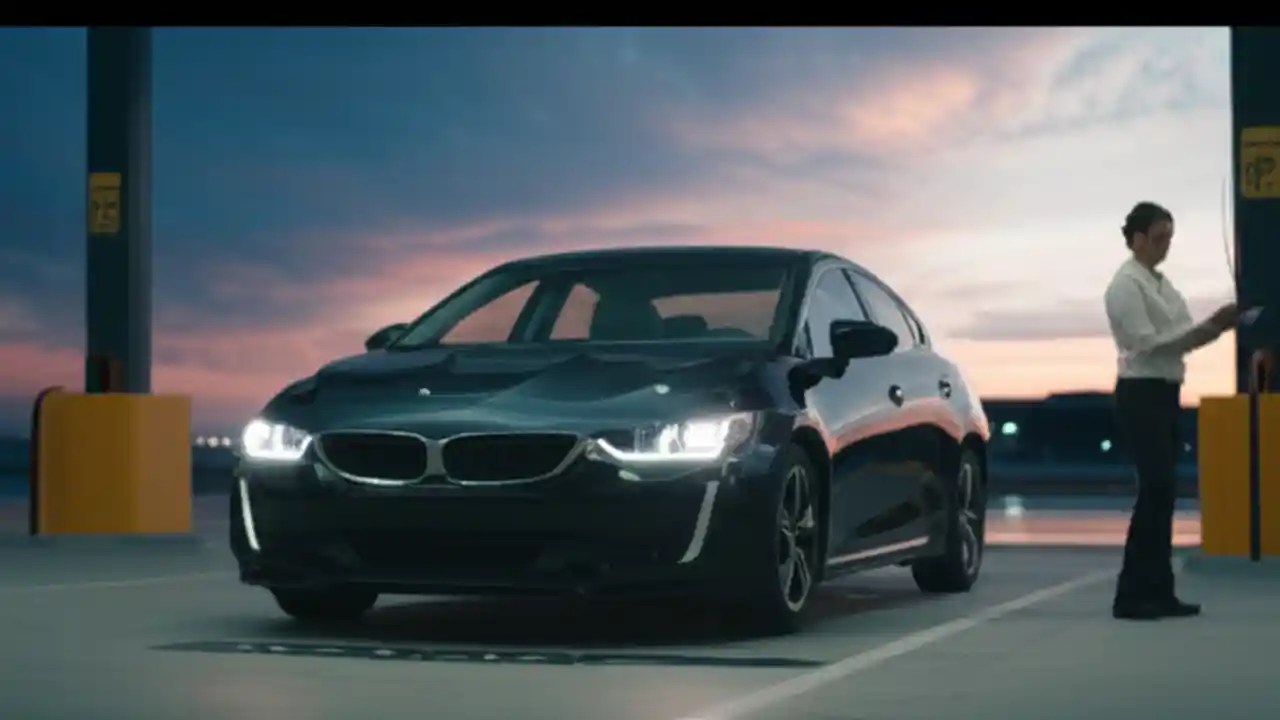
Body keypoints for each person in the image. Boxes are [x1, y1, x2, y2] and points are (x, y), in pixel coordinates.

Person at [1103, 201, 1240, 620]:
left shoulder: (1161, 285)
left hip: (1164, 392)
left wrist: (1212, 328)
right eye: (1160, 238)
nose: (1165, 247)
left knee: (1163, 493)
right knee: (1155, 488)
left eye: (1169, 239)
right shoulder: (1125, 286)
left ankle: (1158, 591)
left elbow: (1181, 336)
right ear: (1138, 238)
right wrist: (1211, 326)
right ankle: (1131, 595)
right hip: (1140, 392)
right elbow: (1149, 343)